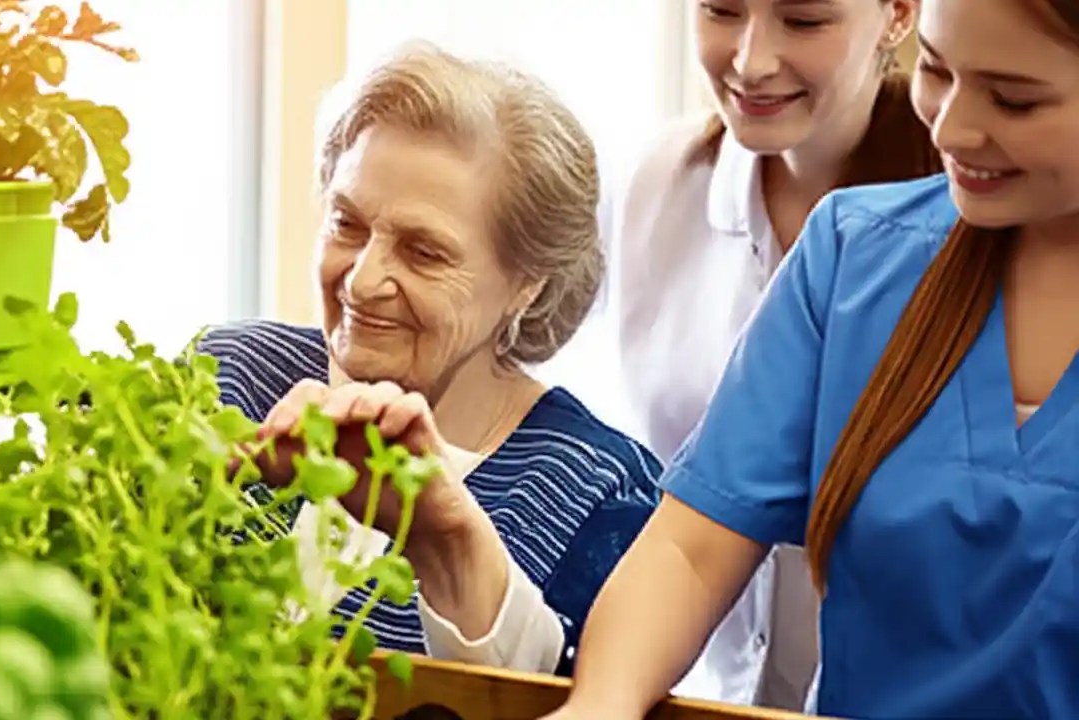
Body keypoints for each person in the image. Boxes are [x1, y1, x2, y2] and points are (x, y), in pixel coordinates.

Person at [547, 0, 1079, 717]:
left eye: (1013, 100)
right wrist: (600, 704)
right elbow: (691, 549)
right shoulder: (854, 259)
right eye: (936, 69)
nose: (950, 127)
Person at [197, 43, 662, 675]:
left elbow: (572, 703)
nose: (362, 282)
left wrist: (445, 538)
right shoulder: (226, 375)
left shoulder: (600, 490)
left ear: (530, 284)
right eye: (347, 225)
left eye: (423, 252)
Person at [607, 0, 939, 709]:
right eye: (722, 10)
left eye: (805, 21)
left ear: (899, 14)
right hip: (683, 690)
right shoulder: (656, 186)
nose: (751, 60)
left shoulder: (964, 218)